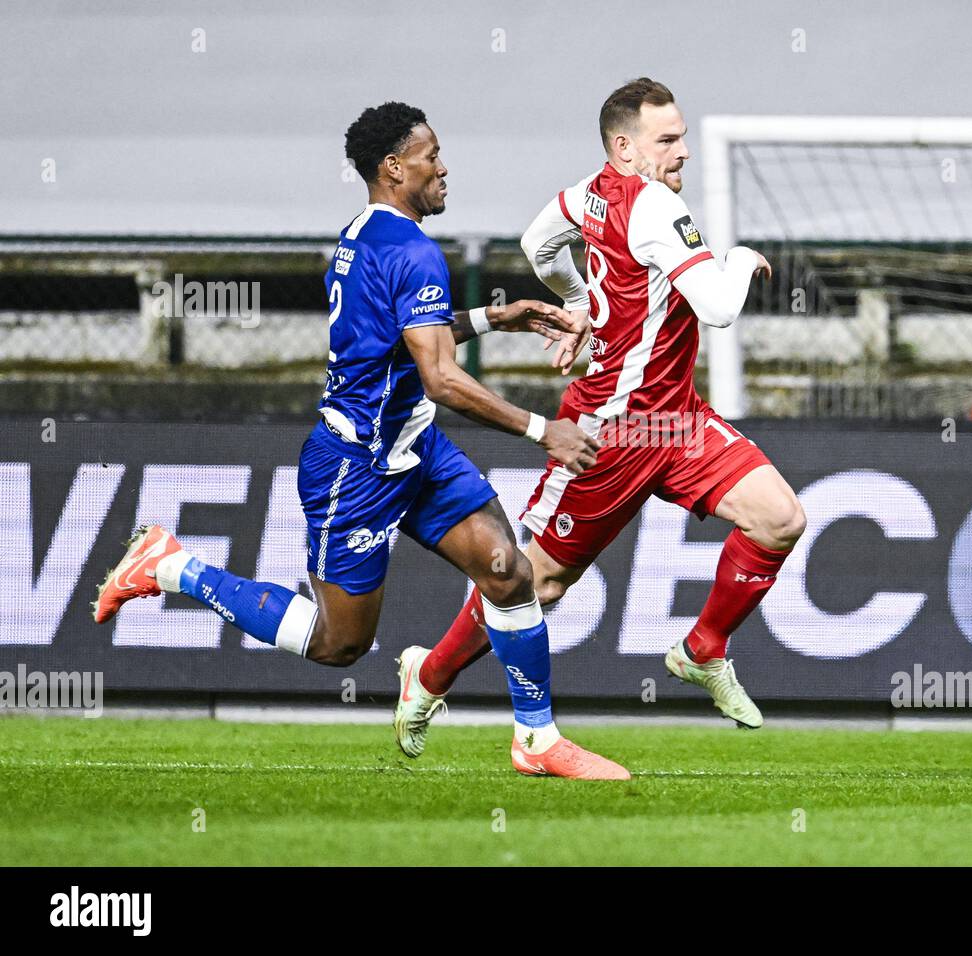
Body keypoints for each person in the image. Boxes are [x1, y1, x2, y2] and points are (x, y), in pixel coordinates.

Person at [92, 101, 629, 780]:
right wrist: (540, 429)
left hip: (416, 449)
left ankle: (536, 739)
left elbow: (407, 343)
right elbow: (438, 377)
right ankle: (171, 567)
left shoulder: (366, 234)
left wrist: (494, 316)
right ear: (392, 166)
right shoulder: (412, 250)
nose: (442, 166)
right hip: (357, 466)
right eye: (430, 154)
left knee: (505, 569)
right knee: (339, 645)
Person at [413, 78, 806, 729]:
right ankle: (427, 677)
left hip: (675, 422)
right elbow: (719, 308)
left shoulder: (590, 194)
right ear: (626, 147)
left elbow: (540, 240)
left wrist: (582, 305)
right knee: (538, 584)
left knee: (779, 518)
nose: (683, 152)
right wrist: (736, 259)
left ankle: (703, 650)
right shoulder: (654, 207)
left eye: (682, 136)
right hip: (612, 431)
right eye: (668, 140)